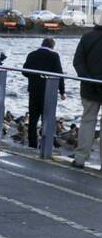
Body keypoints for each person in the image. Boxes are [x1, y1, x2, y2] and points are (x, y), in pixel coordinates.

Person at [21, 36, 65, 150]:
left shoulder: (32, 54)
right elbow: (59, 74)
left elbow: (24, 71)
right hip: (48, 92)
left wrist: (33, 77)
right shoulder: (54, 56)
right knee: (47, 118)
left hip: (34, 90)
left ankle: (32, 144)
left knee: (33, 119)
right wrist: (62, 91)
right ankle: (44, 144)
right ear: (52, 46)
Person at [72, 17, 102, 168]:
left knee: (88, 121)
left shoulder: (87, 37)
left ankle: (80, 158)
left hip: (89, 87)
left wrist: (88, 79)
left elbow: (78, 61)